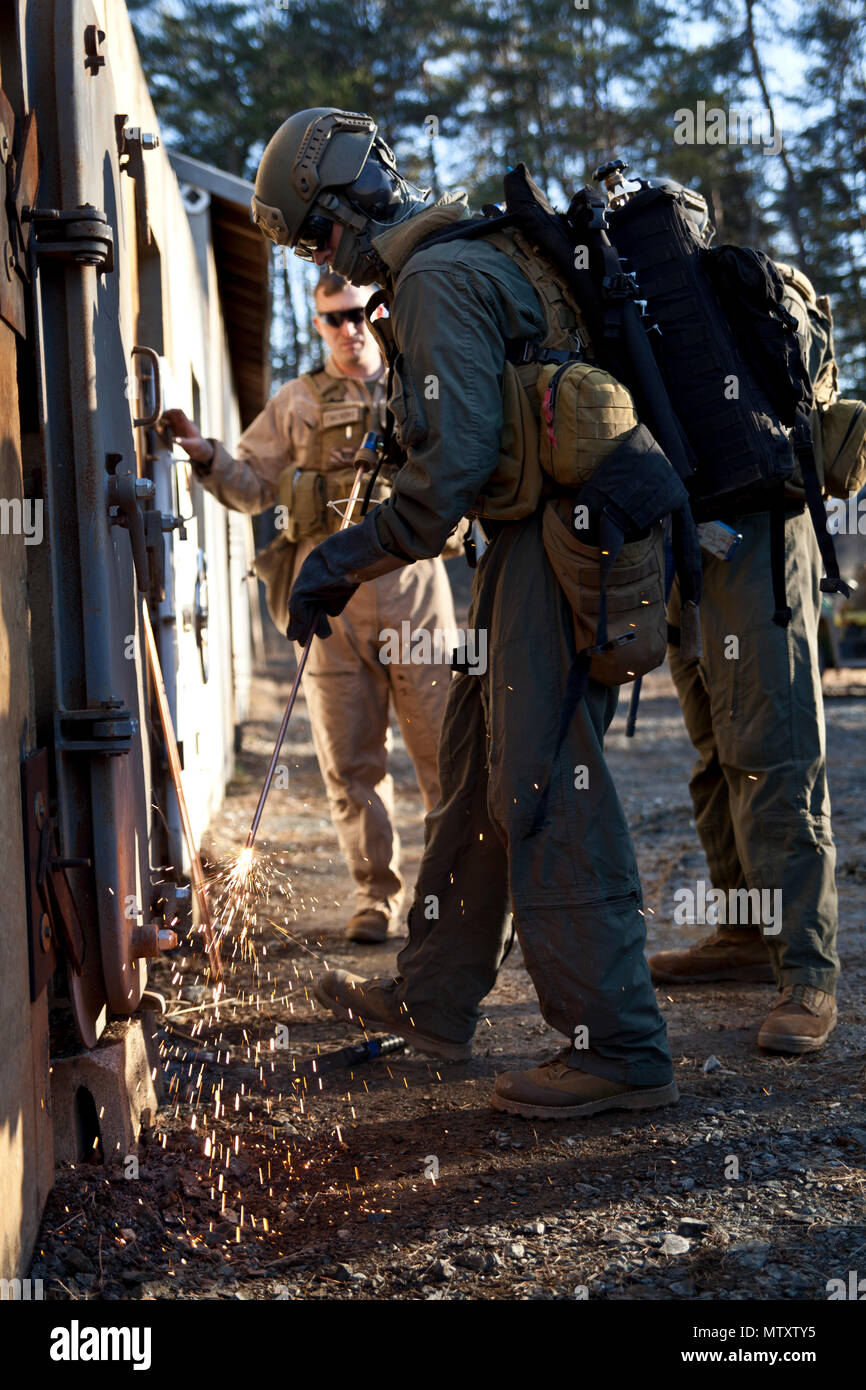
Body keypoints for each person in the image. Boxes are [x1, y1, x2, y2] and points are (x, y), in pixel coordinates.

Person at [249, 106, 680, 1120]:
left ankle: (617, 1046)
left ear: (346, 206)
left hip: (557, 542)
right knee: (480, 777)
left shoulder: (438, 278)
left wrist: (335, 564)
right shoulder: (448, 259)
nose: (324, 256)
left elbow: (446, 480)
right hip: (527, 540)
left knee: (542, 785)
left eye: (315, 233)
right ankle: (434, 997)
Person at [163, 271, 456, 944]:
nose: (350, 328)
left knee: (446, 752)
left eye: (360, 313)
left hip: (415, 593)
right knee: (349, 762)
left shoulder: (421, 383)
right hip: (332, 598)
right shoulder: (295, 402)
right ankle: (375, 897)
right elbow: (251, 486)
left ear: (375, 312)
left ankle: (457, 899)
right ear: (320, 324)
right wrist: (204, 452)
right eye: (334, 318)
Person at [647, 202, 840, 1054]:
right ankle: (742, 932)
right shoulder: (648, 306)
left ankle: (809, 974)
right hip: (691, 542)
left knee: (776, 753)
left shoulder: (748, 291)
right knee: (714, 752)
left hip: (759, 539)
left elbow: (811, 394)